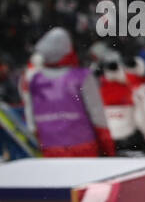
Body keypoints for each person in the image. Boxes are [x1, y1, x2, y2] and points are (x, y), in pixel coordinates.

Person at [21, 26, 115, 158]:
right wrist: (108, 149)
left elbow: (31, 118)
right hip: (84, 148)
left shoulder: (34, 79)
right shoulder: (82, 77)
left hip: (51, 149)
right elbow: (98, 117)